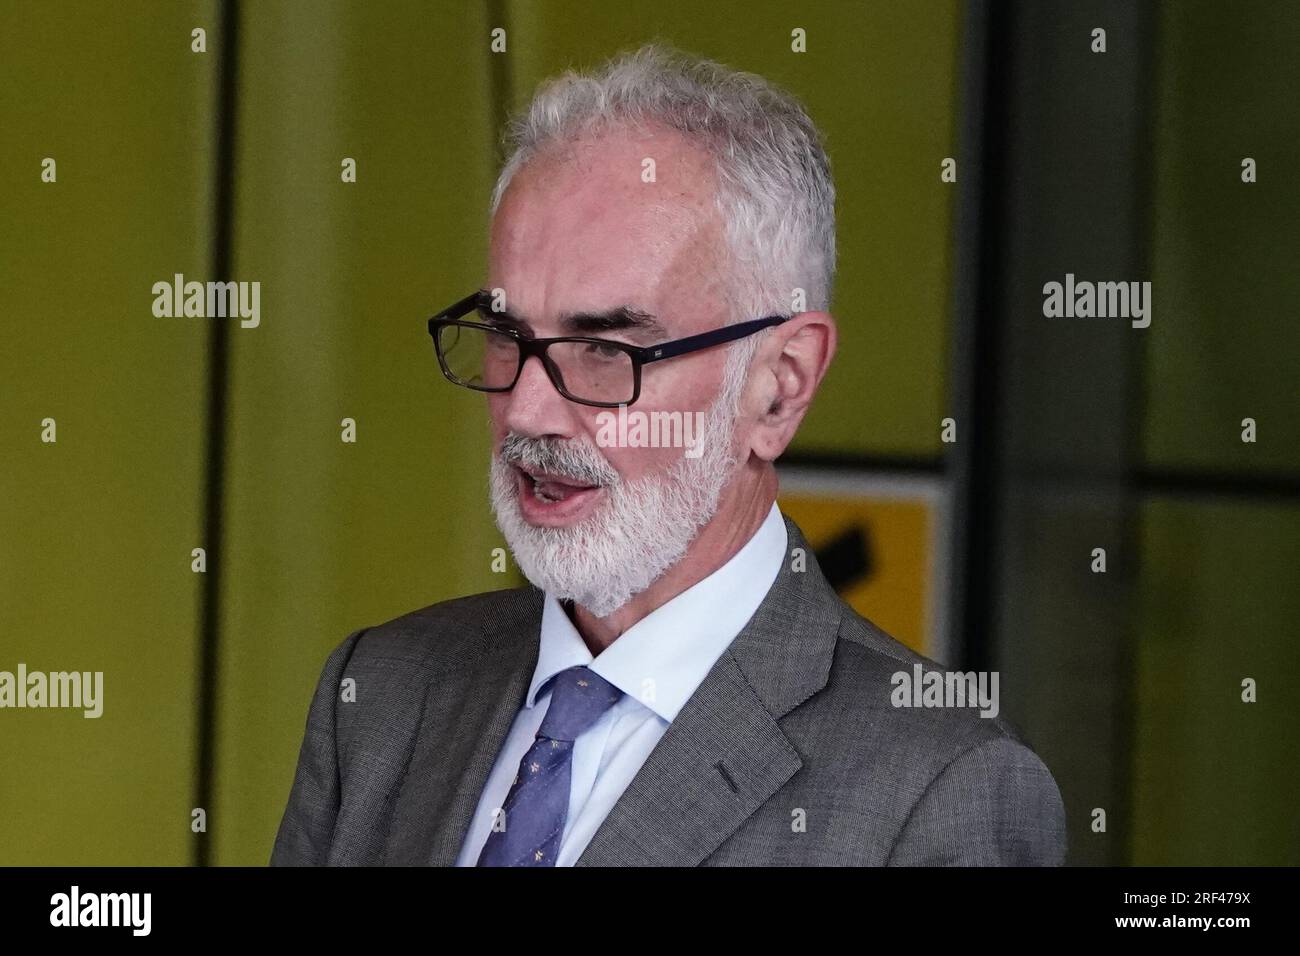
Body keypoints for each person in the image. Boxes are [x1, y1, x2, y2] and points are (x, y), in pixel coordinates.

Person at [271, 43, 1066, 867]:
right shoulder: (379, 695)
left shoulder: (935, 792)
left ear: (780, 387)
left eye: (607, 349)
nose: (526, 408)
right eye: (507, 336)